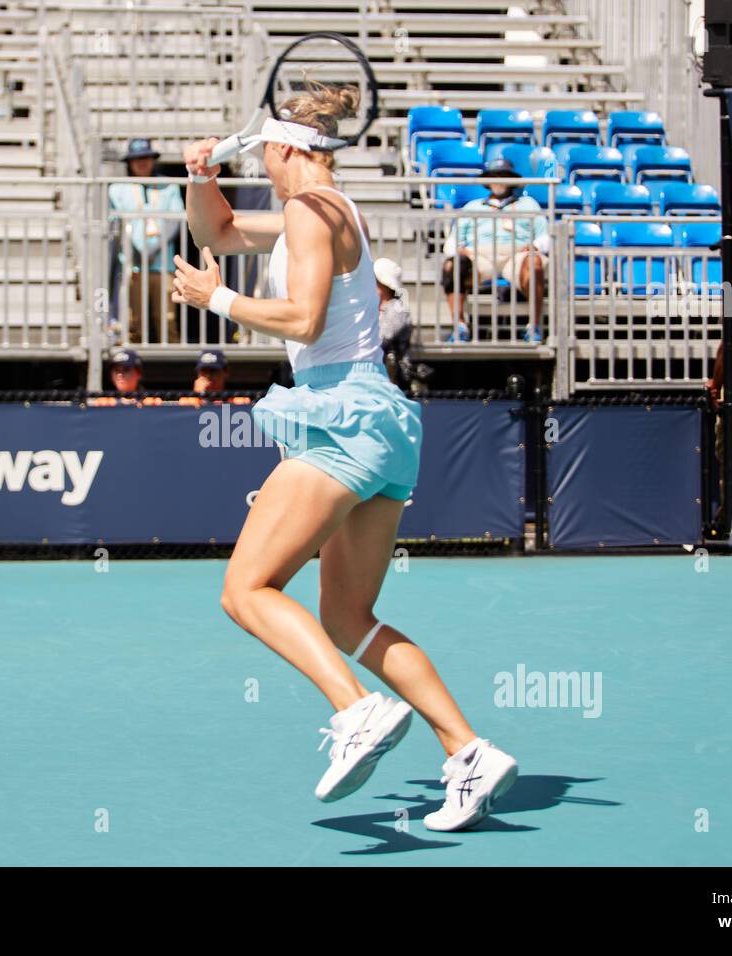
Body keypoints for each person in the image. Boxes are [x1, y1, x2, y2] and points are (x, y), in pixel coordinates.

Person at [173, 82, 517, 830]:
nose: (261, 159)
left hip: (344, 419)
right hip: (383, 427)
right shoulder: (329, 209)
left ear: (289, 147)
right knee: (348, 616)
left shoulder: (306, 210)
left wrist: (217, 301)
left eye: (266, 147)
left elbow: (301, 316)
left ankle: (358, 710)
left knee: (246, 589)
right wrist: (201, 178)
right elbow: (224, 233)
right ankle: (468, 751)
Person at [442, 157, 547, 340]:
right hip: (480, 255)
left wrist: (535, 246)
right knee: (453, 265)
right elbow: (453, 241)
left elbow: (545, 235)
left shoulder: (529, 204)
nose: (499, 180)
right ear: (488, 180)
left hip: (517, 254)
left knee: (535, 262)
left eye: (504, 175)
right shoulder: (472, 207)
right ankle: (460, 326)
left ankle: (534, 326)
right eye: (495, 175)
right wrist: (458, 250)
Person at [108, 138, 184, 346]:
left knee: (167, 319)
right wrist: (136, 254)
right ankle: (130, 361)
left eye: (146, 158)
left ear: (153, 160)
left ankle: (174, 365)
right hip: (132, 266)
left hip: (163, 264)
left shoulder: (169, 186)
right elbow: (117, 227)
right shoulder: (117, 189)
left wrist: (152, 250)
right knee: (133, 321)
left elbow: (175, 222)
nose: (142, 162)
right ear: (129, 162)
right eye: (137, 159)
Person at [372, 257, 422, 393]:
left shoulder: (398, 309)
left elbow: (382, 339)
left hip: (394, 376)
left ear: (382, 284)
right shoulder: (370, 307)